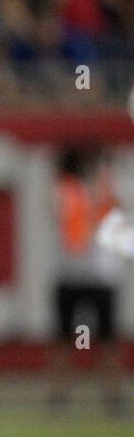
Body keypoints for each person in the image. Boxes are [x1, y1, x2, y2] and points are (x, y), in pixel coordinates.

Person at [48, 145, 125, 414]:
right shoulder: (67, 190)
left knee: (107, 339)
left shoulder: (109, 190)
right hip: (72, 272)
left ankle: (113, 395)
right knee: (63, 338)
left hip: (101, 275)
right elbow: (73, 233)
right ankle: (58, 396)